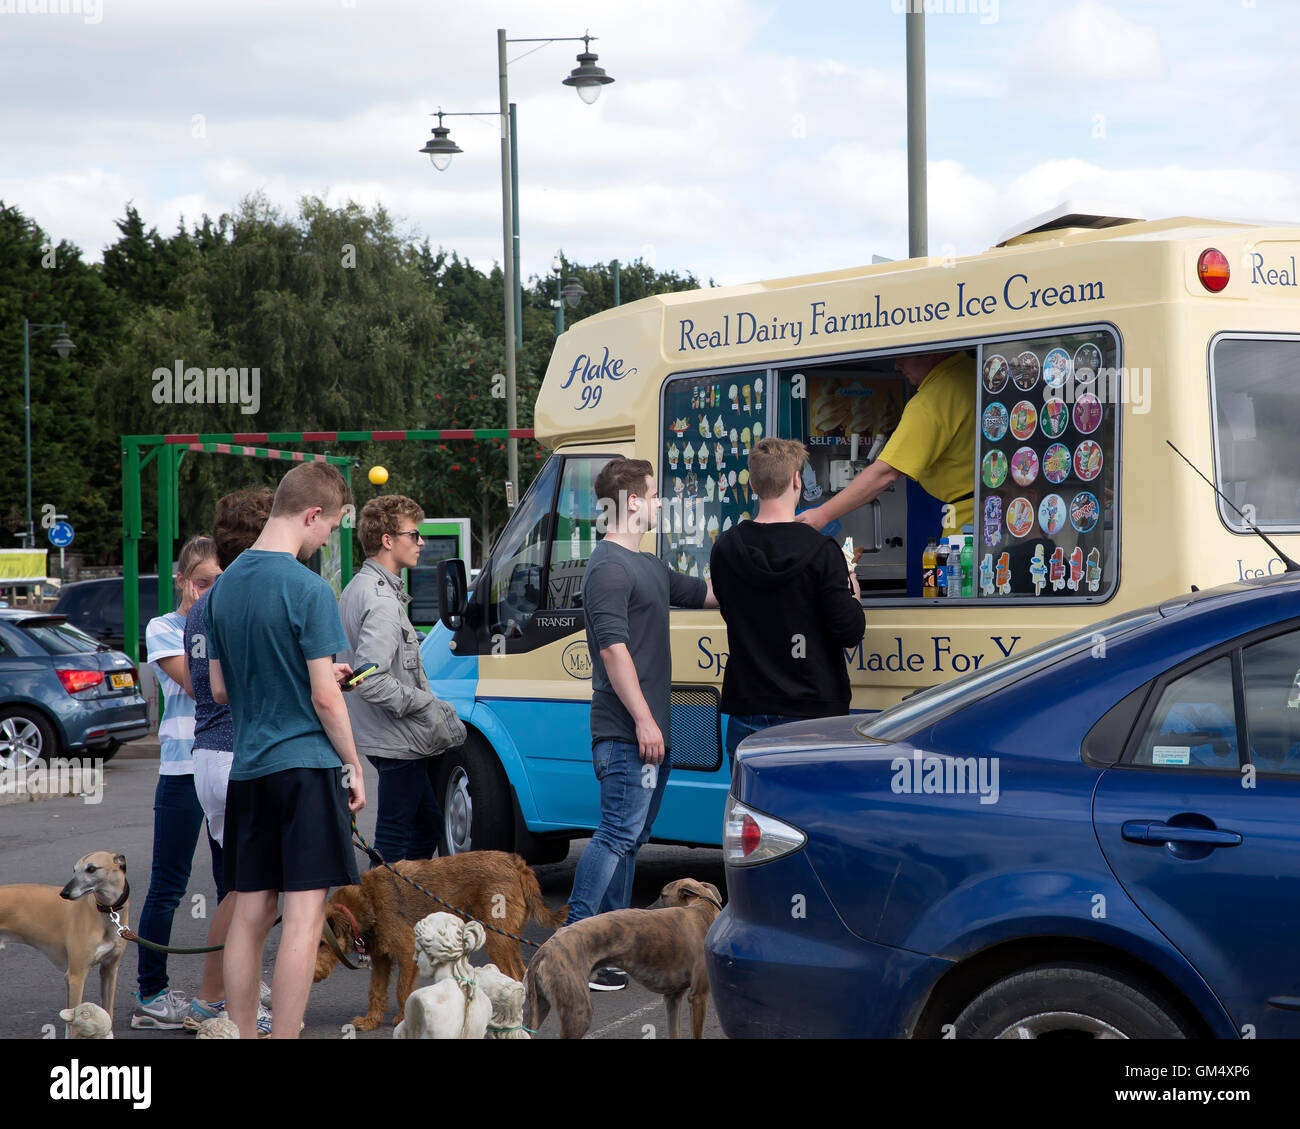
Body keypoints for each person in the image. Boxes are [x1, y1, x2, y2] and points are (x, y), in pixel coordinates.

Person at [204, 462, 365, 1039]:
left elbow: (221, 690)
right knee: (303, 917)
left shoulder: (221, 589)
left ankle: (243, 1032)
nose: (328, 540)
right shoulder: (309, 588)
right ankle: (287, 1035)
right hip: (305, 768)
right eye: (332, 527)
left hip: (249, 769)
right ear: (312, 514)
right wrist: (353, 765)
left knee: (249, 914)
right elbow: (327, 699)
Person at [567, 457, 716, 990]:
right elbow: (613, 652)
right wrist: (646, 721)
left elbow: (706, 593)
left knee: (629, 840)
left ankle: (611, 949)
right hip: (628, 731)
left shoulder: (646, 564)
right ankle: (578, 945)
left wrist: (767, 565)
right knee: (613, 836)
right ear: (632, 501)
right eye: (654, 496)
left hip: (648, 733)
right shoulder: (608, 567)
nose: (659, 505)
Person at [183, 487, 276, 1034]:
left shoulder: (209, 601)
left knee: (242, 888)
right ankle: (216, 998)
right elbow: (236, 688)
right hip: (237, 752)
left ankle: (216, 994)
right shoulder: (241, 596)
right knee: (250, 894)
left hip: (211, 753)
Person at [711, 438, 866, 766]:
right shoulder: (824, 551)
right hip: (814, 714)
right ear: (797, 480)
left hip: (748, 712)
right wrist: (852, 586)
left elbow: (732, 610)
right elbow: (849, 631)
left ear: (752, 483)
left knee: (754, 812)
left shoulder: (726, 548)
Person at [338, 495, 465, 866]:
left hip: (386, 737)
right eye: (414, 534)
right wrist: (426, 703)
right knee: (395, 837)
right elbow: (371, 679)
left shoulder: (358, 588)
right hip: (396, 740)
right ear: (388, 540)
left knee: (426, 825)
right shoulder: (380, 601)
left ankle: (405, 906)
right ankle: (382, 918)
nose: (421, 542)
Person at [131, 536, 224, 1029]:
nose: (210, 592)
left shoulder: (224, 621)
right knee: (169, 885)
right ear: (183, 581)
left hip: (228, 762)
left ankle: (230, 979)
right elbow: (199, 684)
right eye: (203, 582)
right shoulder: (164, 627)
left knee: (236, 883)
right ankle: (152, 992)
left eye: (219, 584)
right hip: (183, 769)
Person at [797, 350, 977, 538]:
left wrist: (822, 515)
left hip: (965, 525)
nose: (896, 366)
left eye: (902, 356)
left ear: (928, 352)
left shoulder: (932, 400)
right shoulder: (978, 372)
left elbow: (885, 474)